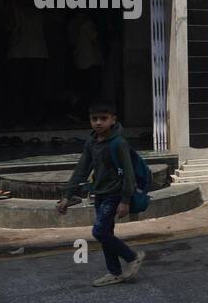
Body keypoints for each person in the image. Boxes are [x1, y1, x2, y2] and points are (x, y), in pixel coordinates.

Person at [56, 99, 147, 287]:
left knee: (99, 231)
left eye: (103, 118)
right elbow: (82, 169)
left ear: (113, 120)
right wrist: (67, 196)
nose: (98, 122)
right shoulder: (92, 142)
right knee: (107, 232)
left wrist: (125, 200)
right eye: (94, 119)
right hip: (100, 193)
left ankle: (132, 257)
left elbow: (128, 173)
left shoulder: (119, 143)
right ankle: (114, 272)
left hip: (115, 194)